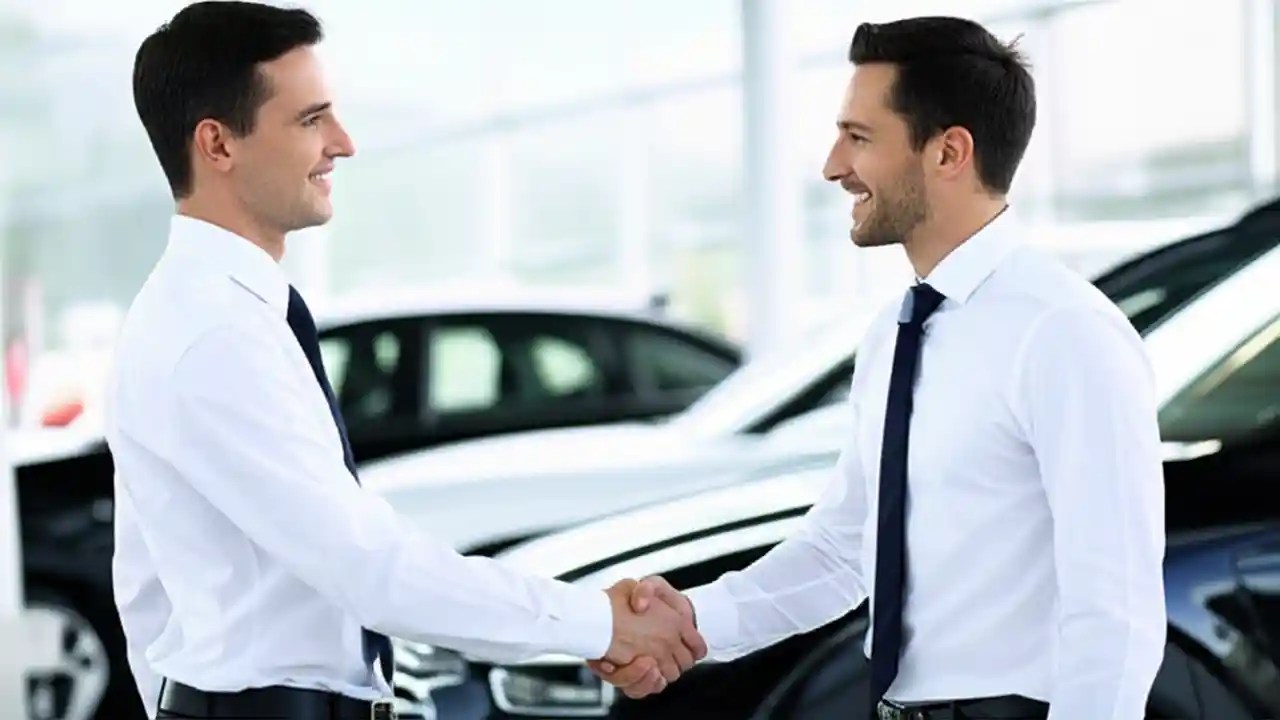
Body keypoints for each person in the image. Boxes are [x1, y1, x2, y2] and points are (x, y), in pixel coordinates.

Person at [107, 3, 701, 719]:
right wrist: (599, 622)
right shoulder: (215, 333)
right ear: (218, 145)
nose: (343, 143)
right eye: (310, 120)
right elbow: (369, 565)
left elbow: (143, 582)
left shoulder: (202, 311)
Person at [593, 16, 1167, 720]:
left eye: (859, 138)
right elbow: (841, 552)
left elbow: (1117, 608)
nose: (834, 166)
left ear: (949, 152)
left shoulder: (1065, 332)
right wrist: (687, 619)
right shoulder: (897, 332)